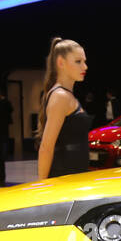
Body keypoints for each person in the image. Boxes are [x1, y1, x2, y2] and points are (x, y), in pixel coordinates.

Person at [36, 37, 90, 179]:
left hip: (73, 176)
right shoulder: (60, 97)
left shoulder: (65, 95)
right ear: (61, 62)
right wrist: (42, 185)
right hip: (64, 178)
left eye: (84, 61)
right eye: (78, 61)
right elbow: (46, 147)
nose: (85, 67)